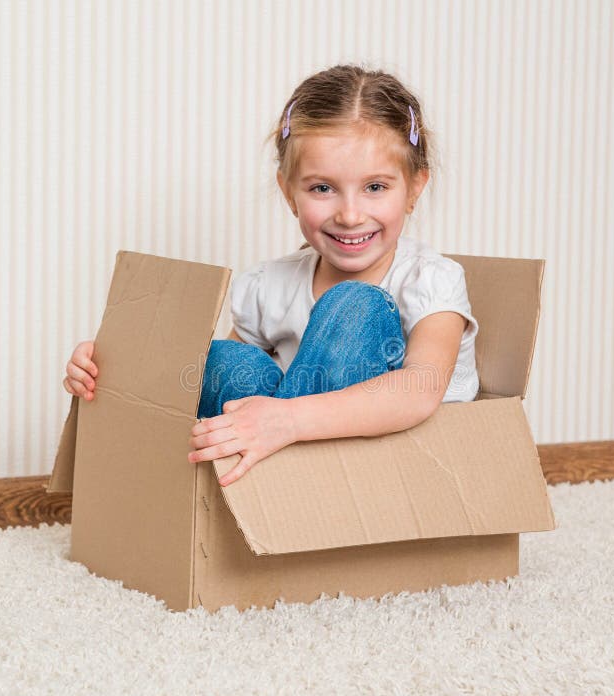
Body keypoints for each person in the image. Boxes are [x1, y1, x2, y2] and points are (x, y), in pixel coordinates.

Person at [63, 64, 479, 487]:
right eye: (322, 188)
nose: (350, 214)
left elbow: (419, 390)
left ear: (414, 189)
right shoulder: (268, 284)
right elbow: (210, 380)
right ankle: (272, 491)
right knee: (218, 360)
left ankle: (287, 481)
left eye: (375, 187)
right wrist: (112, 365)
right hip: (274, 459)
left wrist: (287, 420)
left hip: (379, 472)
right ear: (289, 193)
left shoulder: (431, 279)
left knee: (356, 306)